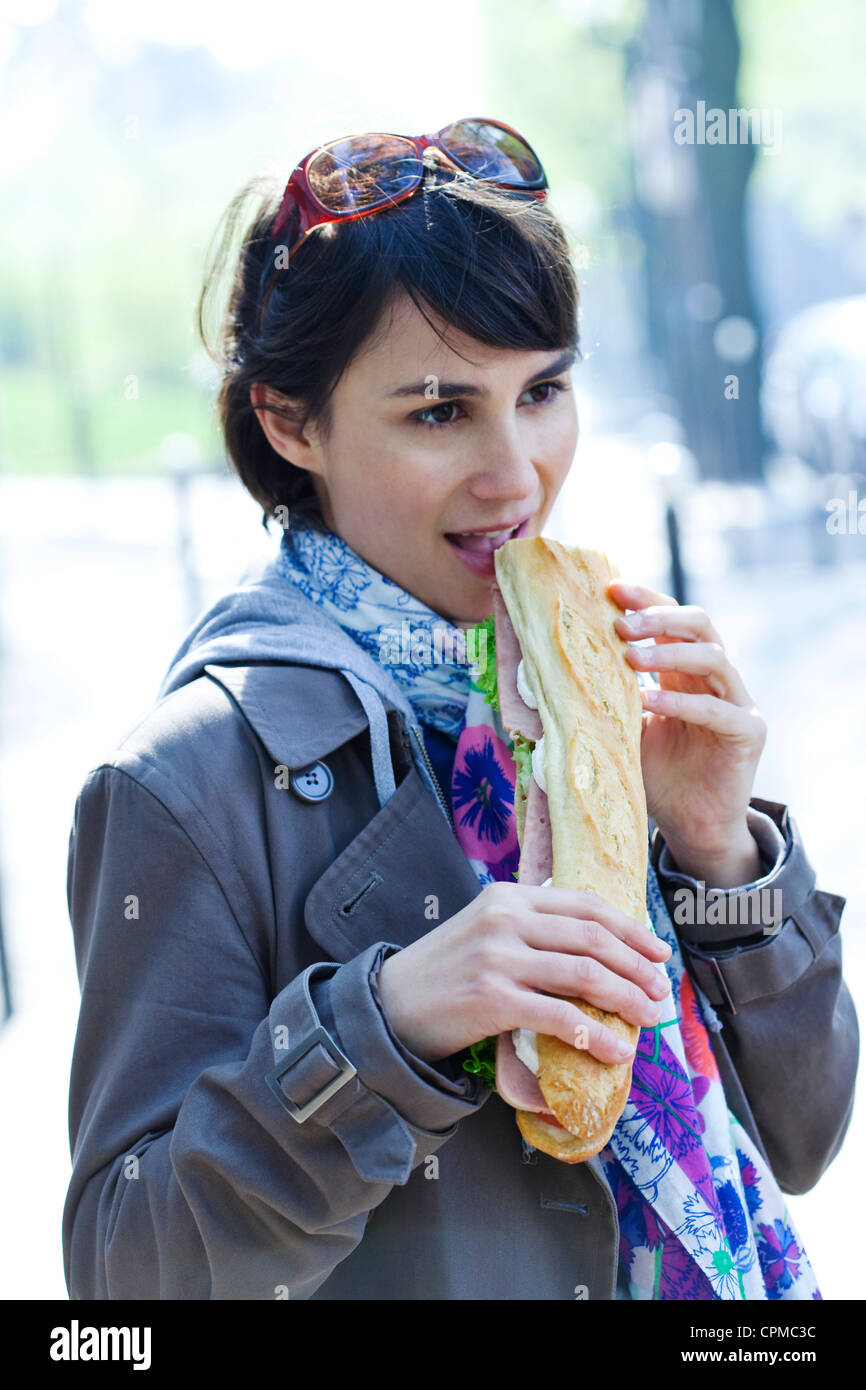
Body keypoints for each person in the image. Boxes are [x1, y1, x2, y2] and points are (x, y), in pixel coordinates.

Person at [62, 118, 857, 1301]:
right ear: (290, 421)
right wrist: (382, 1022)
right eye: (438, 411)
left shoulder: (590, 696)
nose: (516, 472)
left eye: (541, 391)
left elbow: (799, 1138)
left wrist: (719, 854)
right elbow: (129, 1279)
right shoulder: (188, 783)